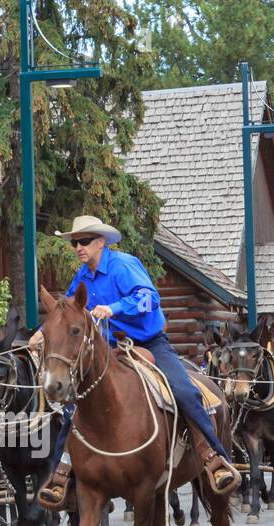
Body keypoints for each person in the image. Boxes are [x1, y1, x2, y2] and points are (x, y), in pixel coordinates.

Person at [37, 215, 238, 509]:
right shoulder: (81, 277)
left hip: (149, 343)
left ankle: (213, 456)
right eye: (75, 242)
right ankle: (61, 475)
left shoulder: (124, 265)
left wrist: (113, 308)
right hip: (108, 349)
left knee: (183, 390)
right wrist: (41, 335)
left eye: (84, 241)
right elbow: (63, 313)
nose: (78, 247)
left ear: (101, 242)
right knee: (74, 404)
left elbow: (149, 299)